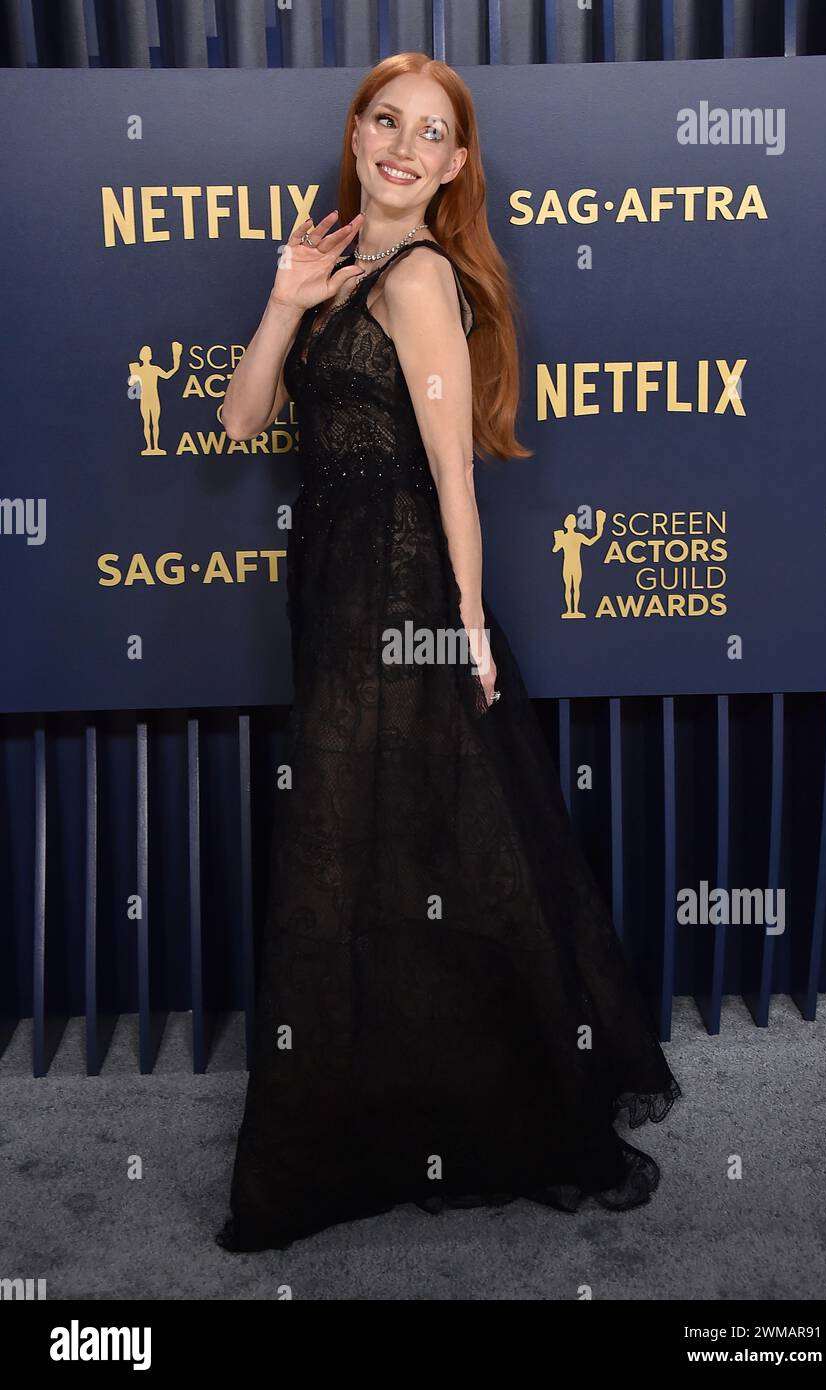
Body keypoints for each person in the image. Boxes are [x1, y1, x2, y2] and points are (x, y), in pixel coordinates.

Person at [216, 52, 681, 1252]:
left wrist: (467, 622)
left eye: (431, 132)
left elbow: (450, 472)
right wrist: (281, 296)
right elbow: (237, 419)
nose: (403, 146)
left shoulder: (419, 277)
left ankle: (345, 1136)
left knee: (361, 837)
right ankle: (394, 1097)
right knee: (383, 842)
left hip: (400, 593)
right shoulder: (332, 264)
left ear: (455, 165)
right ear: (357, 131)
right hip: (329, 589)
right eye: (386, 121)